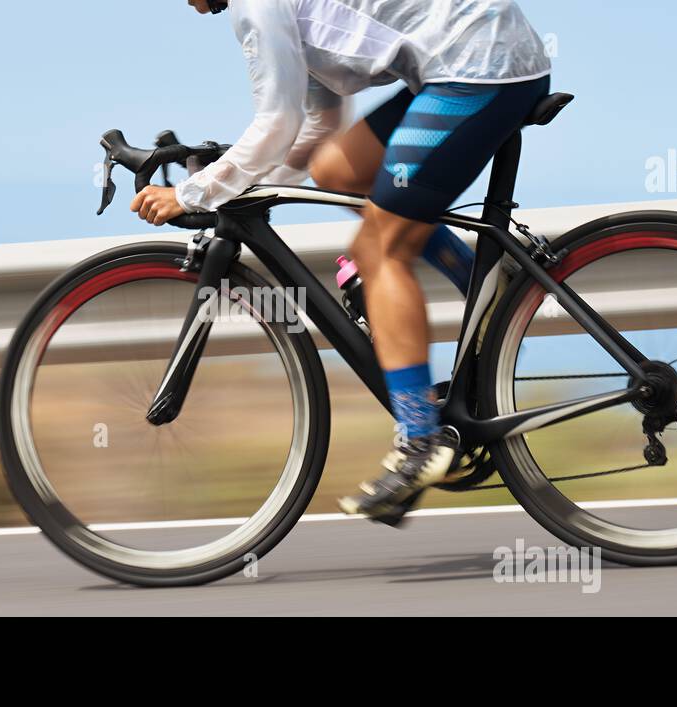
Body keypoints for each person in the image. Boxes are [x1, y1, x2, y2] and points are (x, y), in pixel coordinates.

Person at [131, 0, 552, 525]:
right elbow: (315, 128)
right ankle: (486, 281)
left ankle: (421, 440)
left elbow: (276, 123)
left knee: (379, 253)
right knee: (337, 169)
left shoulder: (255, 7)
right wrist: (231, 183)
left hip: (479, 71)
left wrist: (194, 193)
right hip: (477, 60)